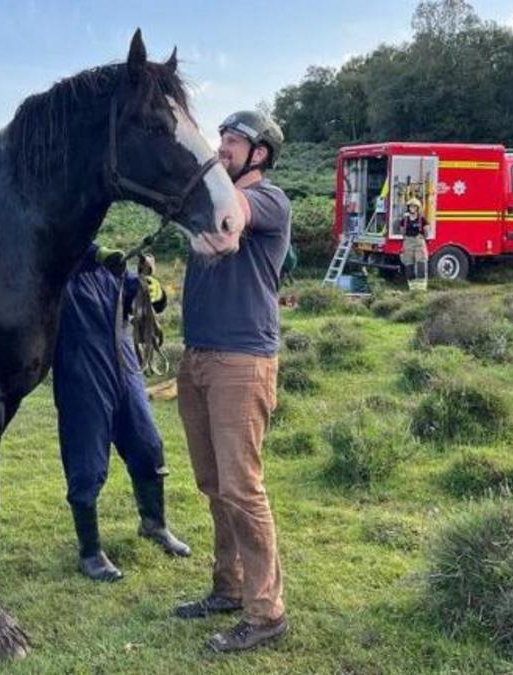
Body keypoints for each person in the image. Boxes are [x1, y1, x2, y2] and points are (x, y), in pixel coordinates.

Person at [173, 110, 290, 652]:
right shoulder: (213, 200)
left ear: (259, 153)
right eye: (219, 138)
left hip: (242, 362)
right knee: (213, 483)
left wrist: (212, 187)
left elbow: (234, 212)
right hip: (198, 360)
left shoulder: (268, 201)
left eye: (233, 141)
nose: (222, 147)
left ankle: (266, 612)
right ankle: (229, 586)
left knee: (242, 488)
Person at [53, 243, 190, 582]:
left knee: (148, 447)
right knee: (86, 465)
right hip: (81, 378)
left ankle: (154, 525)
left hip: (126, 372)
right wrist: (93, 253)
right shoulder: (57, 272)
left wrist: (151, 288)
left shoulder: (112, 273)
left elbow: (146, 300)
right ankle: (90, 551)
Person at [400, 197, 428, 292]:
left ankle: (422, 288)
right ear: (408, 208)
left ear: (418, 208)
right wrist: (405, 241)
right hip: (408, 241)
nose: (412, 208)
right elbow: (402, 231)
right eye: (411, 206)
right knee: (408, 264)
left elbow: (427, 231)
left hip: (419, 241)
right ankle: (412, 288)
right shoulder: (405, 219)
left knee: (421, 263)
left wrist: (423, 237)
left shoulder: (422, 219)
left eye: (414, 207)